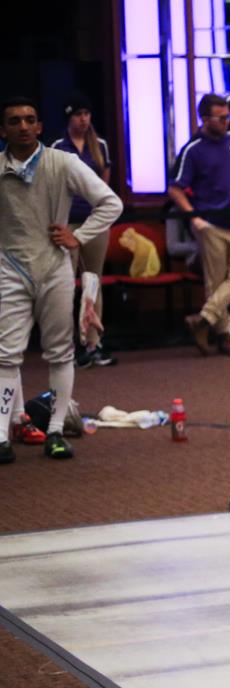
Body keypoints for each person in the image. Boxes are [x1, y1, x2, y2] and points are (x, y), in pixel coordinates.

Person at [0, 97, 120, 461]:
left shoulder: (62, 162)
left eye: (30, 120)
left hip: (54, 266)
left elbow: (110, 202)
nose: (23, 126)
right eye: (14, 121)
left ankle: (54, 432)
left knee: (60, 351)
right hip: (10, 267)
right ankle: (1, 435)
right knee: (6, 355)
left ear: (39, 127)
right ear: (3, 130)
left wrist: (78, 237)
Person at [170, 94, 230, 355]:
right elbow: (175, 188)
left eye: (228, 116)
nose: (227, 121)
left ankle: (202, 319)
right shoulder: (193, 149)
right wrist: (193, 217)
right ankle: (223, 336)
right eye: (221, 118)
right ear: (205, 119)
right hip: (211, 224)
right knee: (216, 282)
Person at [50, 97, 117, 368]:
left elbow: (104, 186)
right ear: (69, 117)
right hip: (69, 223)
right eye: (78, 114)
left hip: (95, 222)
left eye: (87, 113)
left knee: (93, 281)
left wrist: (101, 213)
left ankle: (93, 343)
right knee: (66, 283)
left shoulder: (99, 146)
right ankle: (67, 344)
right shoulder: (57, 148)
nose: (83, 119)